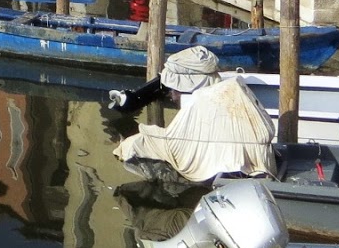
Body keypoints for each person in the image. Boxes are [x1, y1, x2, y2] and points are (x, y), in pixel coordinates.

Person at [115, 46, 275, 186]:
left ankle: (176, 186)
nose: (171, 95)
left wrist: (136, 140)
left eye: (171, 89)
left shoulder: (201, 100)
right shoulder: (230, 87)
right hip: (262, 160)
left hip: (235, 168)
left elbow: (175, 143)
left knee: (135, 145)